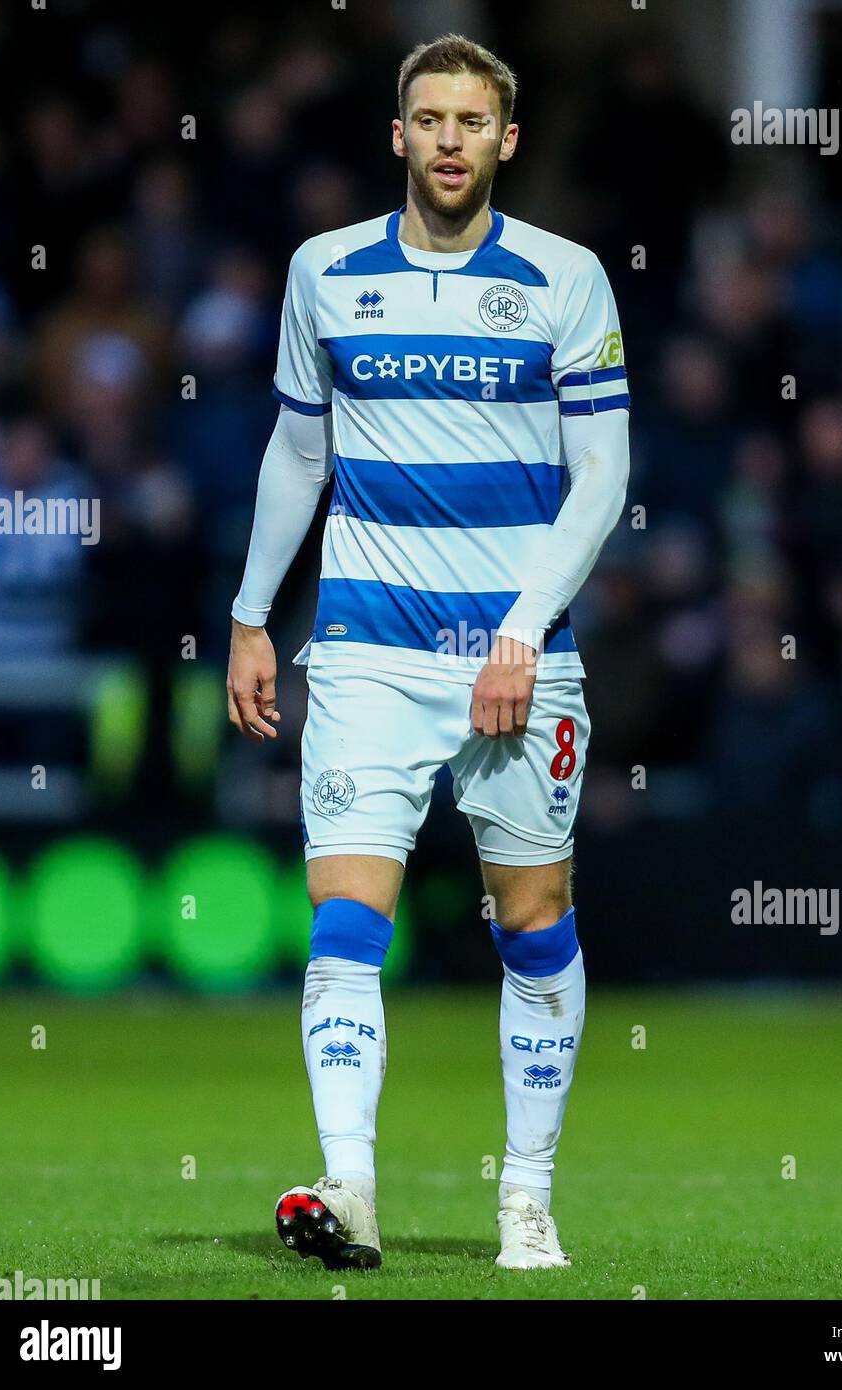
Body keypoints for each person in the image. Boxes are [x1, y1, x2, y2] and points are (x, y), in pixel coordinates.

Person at [227, 33, 629, 1272]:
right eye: (428, 119)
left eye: (472, 122)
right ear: (397, 134)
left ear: (505, 142)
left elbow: (602, 477)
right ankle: (348, 1189)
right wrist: (251, 613)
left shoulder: (565, 279)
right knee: (347, 918)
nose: (449, 140)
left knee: (535, 920)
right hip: (364, 650)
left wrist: (517, 631)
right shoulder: (325, 271)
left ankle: (526, 1198)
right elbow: (300, 454)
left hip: (518, 661)